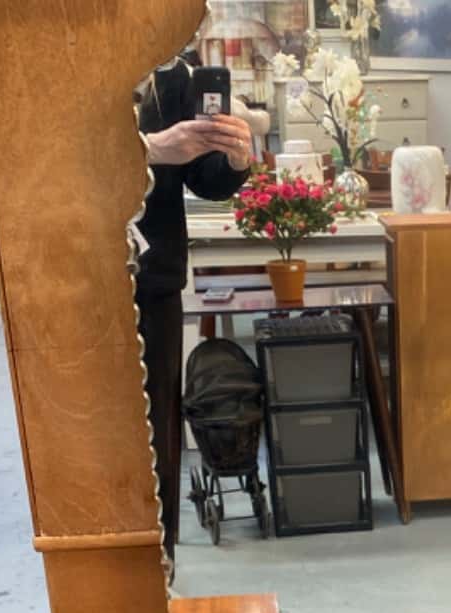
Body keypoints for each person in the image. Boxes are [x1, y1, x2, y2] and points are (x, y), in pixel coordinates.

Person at [136, 58, 252, 563]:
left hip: (156, 273)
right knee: (100, 424)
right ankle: (115, 560)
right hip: (80, 273)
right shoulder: (74, 64)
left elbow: (204, 179)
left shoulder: (170, 75)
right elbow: (59, 155)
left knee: (159, 422)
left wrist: (236, 158)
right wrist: (151, 149)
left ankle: (163, 556)